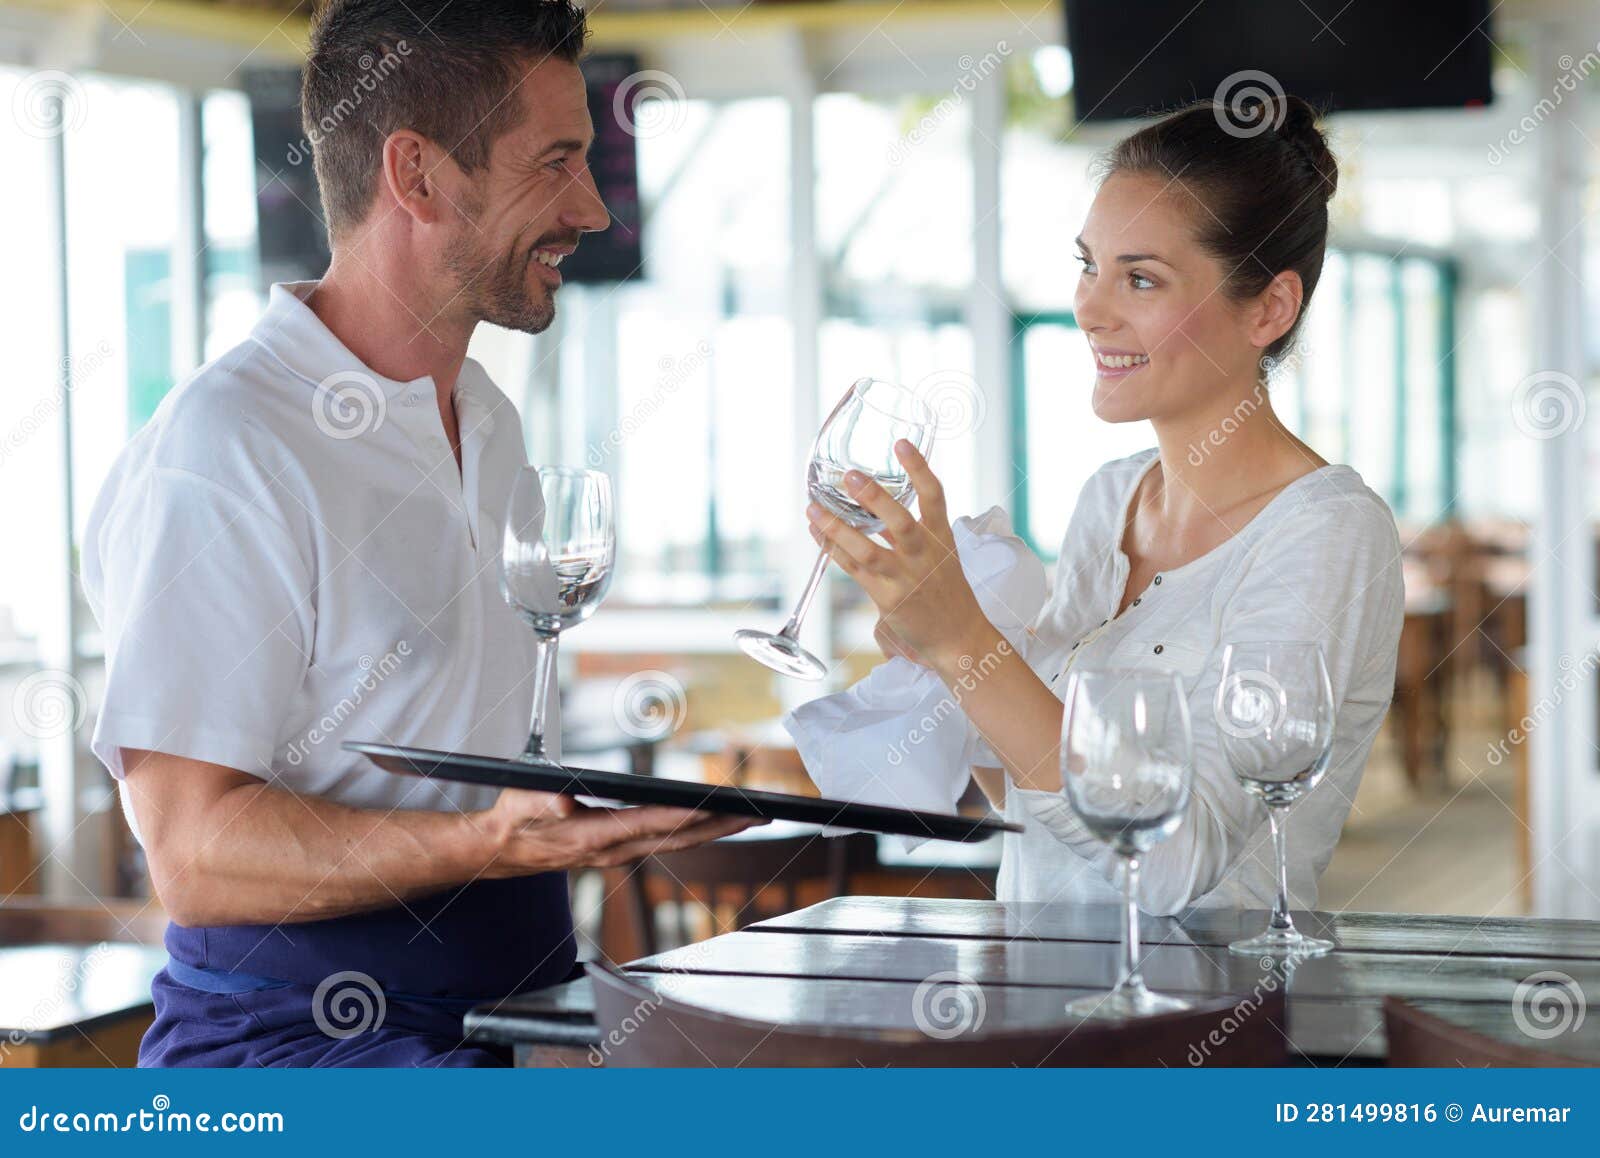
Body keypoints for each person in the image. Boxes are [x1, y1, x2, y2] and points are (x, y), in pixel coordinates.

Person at [81, 0, 761, 1068]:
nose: (590, 209)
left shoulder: (489, 418)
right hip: (300, 1047)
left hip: (524, 1001)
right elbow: (193, 853)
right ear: (418, 175)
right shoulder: (228, 444)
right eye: (555, 163)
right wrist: (491, 844)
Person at [807, 95, 1404, 916]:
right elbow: (1039, 805)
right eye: (1090, 265)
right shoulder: (1109, 499)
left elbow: (1172, 863)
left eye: (1142, 278)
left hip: (1211, 1020)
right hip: (1047, 1005)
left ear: (1268, 307)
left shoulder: (1328, 534)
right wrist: (942, 654)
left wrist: (967, 642)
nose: (1089, 308)